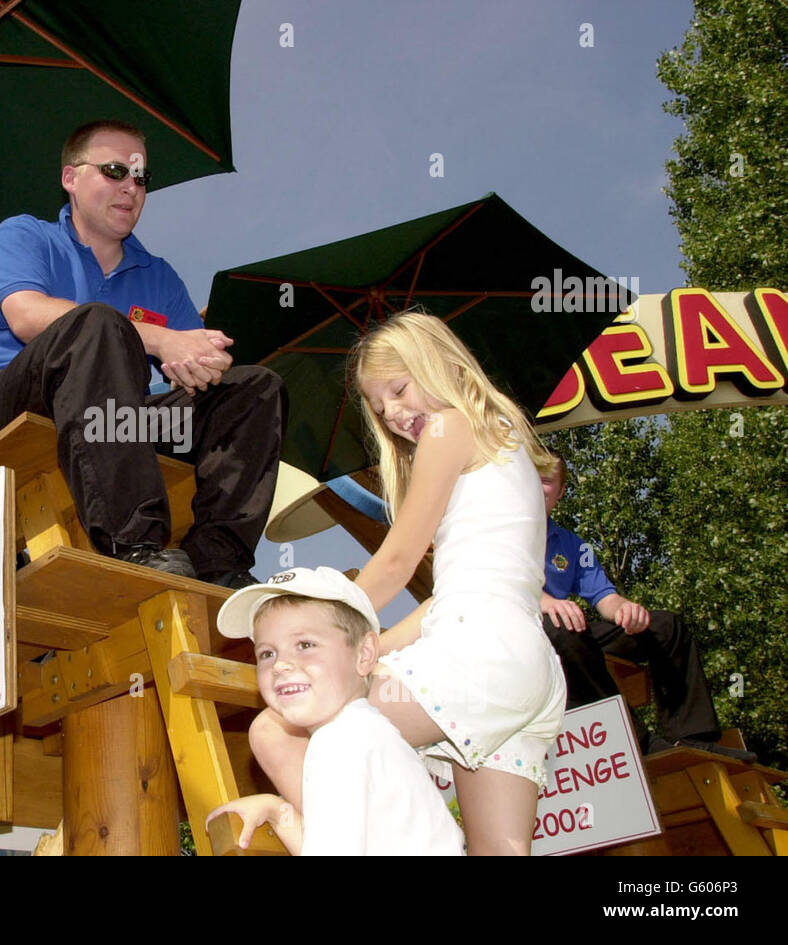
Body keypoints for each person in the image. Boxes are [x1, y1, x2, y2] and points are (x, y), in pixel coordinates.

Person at [249, 311, 566, 855]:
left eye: (398, 389)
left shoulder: (450, 425)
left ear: (441, 365)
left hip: (480, 655)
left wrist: (312, 627)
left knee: (276, 731)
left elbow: (396, 561)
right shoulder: (501, 445)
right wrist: (371, 646)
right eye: (378, 407)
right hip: (526, 670)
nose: (393, 413)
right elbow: (455, 597)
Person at [0, 119, 286, 587]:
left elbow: (190, 364)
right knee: (96, 323)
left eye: (141, 177)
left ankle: (219, 560)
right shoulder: (26, 235)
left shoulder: (160, 275)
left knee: (252, 388)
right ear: (71, 178)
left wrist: (208, 357)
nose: (131, 187)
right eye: (114, 171)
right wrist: (159, 337)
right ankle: (135, 544)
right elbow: (25, 315)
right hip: (2, 415)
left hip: (114, 423)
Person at [207, 567, 464, 855]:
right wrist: (279, 812)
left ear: (365, 654)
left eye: (305, 645)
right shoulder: (364, 732)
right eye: (267, 653)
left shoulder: (340, 742)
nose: (280, 665)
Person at [539, 452, 753, 762]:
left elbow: (605, 598)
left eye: (546, 481)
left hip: (569, 627)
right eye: (529, 478)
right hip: (522, 627)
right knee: (563, 626)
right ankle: (634, 739)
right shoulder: (499, 529)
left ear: (559, 493)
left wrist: (626, 609)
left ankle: (693, 737)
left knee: (666, 627)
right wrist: (545, 601)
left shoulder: (573, 544)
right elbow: (493, 578)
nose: (536, 487)